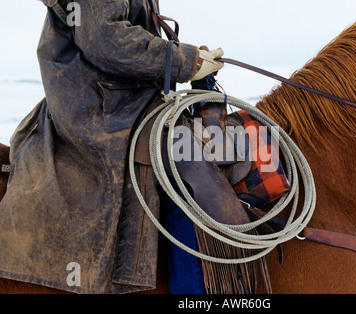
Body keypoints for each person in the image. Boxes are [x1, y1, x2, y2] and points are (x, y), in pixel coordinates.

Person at [0, 0, 223, 294]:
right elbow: (104, 38)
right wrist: (183, 61)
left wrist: (184, 59)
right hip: (104, 108)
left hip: (115, 98)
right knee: (189, 176)